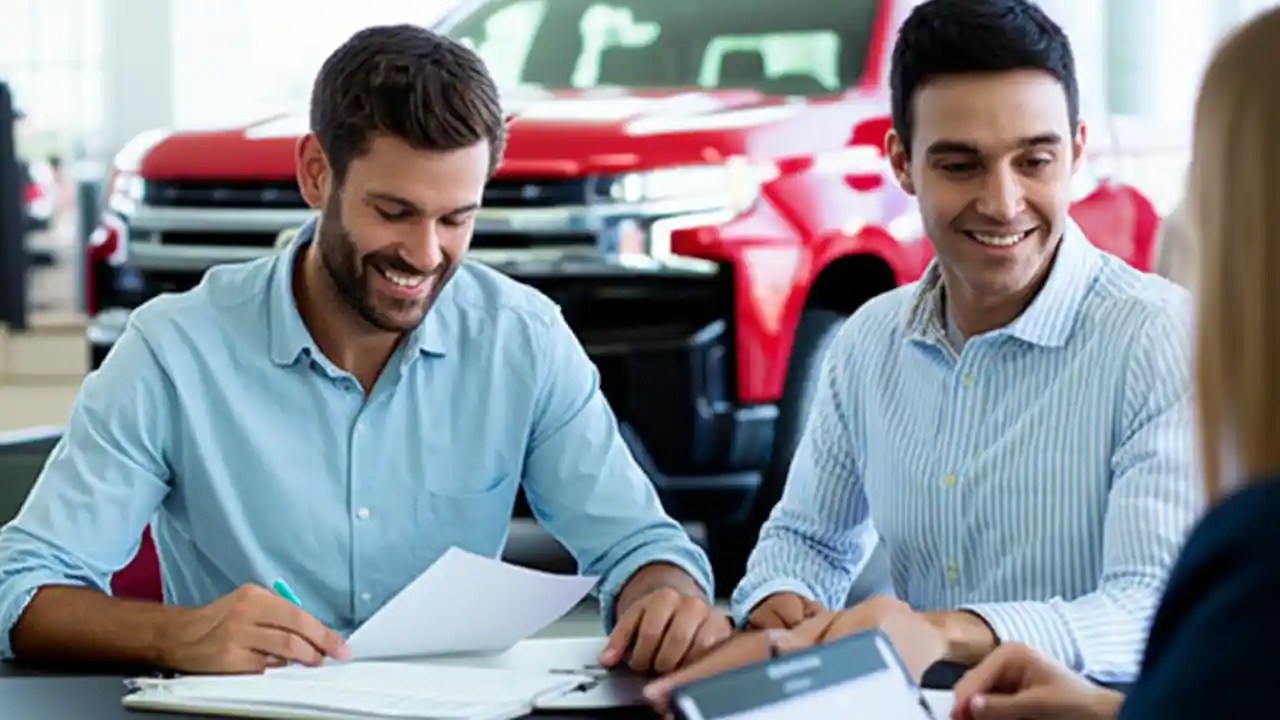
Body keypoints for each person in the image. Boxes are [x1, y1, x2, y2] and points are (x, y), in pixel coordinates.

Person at [0, 25, 728, 675]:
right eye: (394, 212)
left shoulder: (524, 341)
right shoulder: (174, 351)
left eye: (456, 219)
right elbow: (20, 586)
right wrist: (177, 635)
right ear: (317, 173)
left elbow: (640, 547)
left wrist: (665, 597)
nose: (425, 253)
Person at [647, 6, 1280, 719]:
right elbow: (805, 540)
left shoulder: (1157, 339)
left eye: (1034, 161)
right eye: (960, 164)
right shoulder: (869, 343)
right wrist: (783, 613)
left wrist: (945, 632)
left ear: (1075, 151)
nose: (1002, 202)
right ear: (901, 164)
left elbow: (1147, 610)